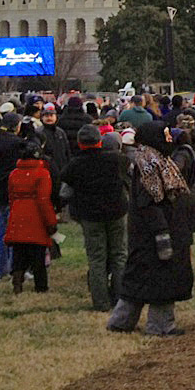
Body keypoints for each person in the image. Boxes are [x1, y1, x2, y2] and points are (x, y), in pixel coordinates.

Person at [106, 122, 195, 337]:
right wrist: (162, 234)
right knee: (162, 279)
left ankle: (121, 321)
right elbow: (148, 203)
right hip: (155, 233)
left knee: (139, 278)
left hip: (151, 232)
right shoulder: (148, 164)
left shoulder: (155, 160)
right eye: (165, 135)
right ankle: (160, 325)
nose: (169, 139)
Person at [61, 123, 130, 311]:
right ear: (100, 141)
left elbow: (64, 193)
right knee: (119, 255)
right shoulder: (118, 160)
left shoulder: (75, 164)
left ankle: (101, 302)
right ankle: (122, 298)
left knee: (97, 258)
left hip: (90, 216)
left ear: (80, 143)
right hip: (117, 212)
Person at [4, 139, 57, 294]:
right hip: (36, 216)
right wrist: (51, 222)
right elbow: (44, 200)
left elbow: (11, 197)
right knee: (38, 254)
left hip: (17, 212)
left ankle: (17, 281)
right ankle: (41, 286)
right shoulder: (42, 174)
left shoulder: (14, 174)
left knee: (19, 252)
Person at [0, 111, 24, 281]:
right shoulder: (16, 143)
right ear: (16, 125)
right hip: (13, 191)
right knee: (16, 233)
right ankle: (15, 267)